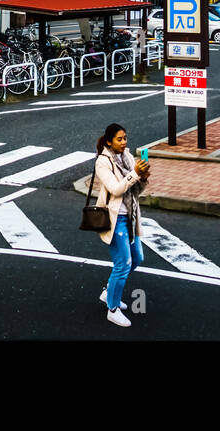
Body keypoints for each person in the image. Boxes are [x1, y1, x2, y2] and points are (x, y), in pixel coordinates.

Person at [92, 123, 150, 328]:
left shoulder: (127, 156)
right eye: (119, 139)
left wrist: (143, 177)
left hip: (131, 216)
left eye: (125, 138)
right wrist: (134, 174)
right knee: (123, 264)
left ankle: (109, 291)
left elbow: (135, 190)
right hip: (115, 220)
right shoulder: (102, 162)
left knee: (138, 258)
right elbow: (116, 189)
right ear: (109, 141)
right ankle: (113, 309)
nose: (124, 142)